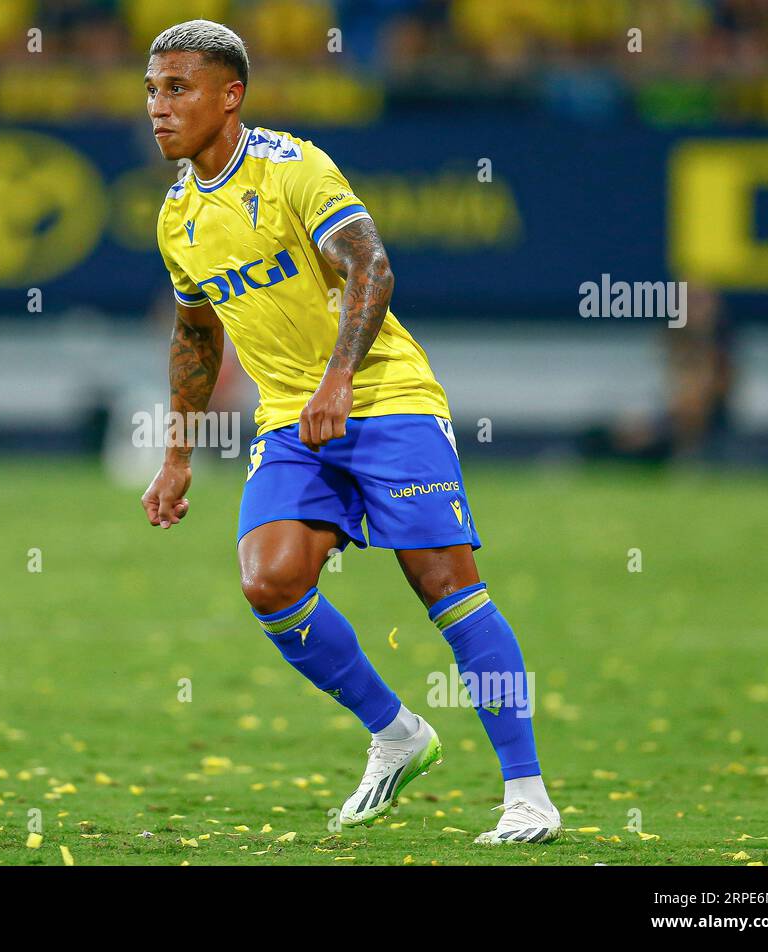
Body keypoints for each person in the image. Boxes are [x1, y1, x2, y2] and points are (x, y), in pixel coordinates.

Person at [139, 19, 560, 844]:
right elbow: (197, 336)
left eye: (178, 88)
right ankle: (398, 733)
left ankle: (527, 794)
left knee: (444, 584)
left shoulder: (293, 169)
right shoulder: (178, 216)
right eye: (152, 89)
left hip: (385, 397)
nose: (159, 107)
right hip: (290, 420)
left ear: (232, 97)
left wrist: (339, 381)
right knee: (269, 581)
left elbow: (372, 265)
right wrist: (177, 454)